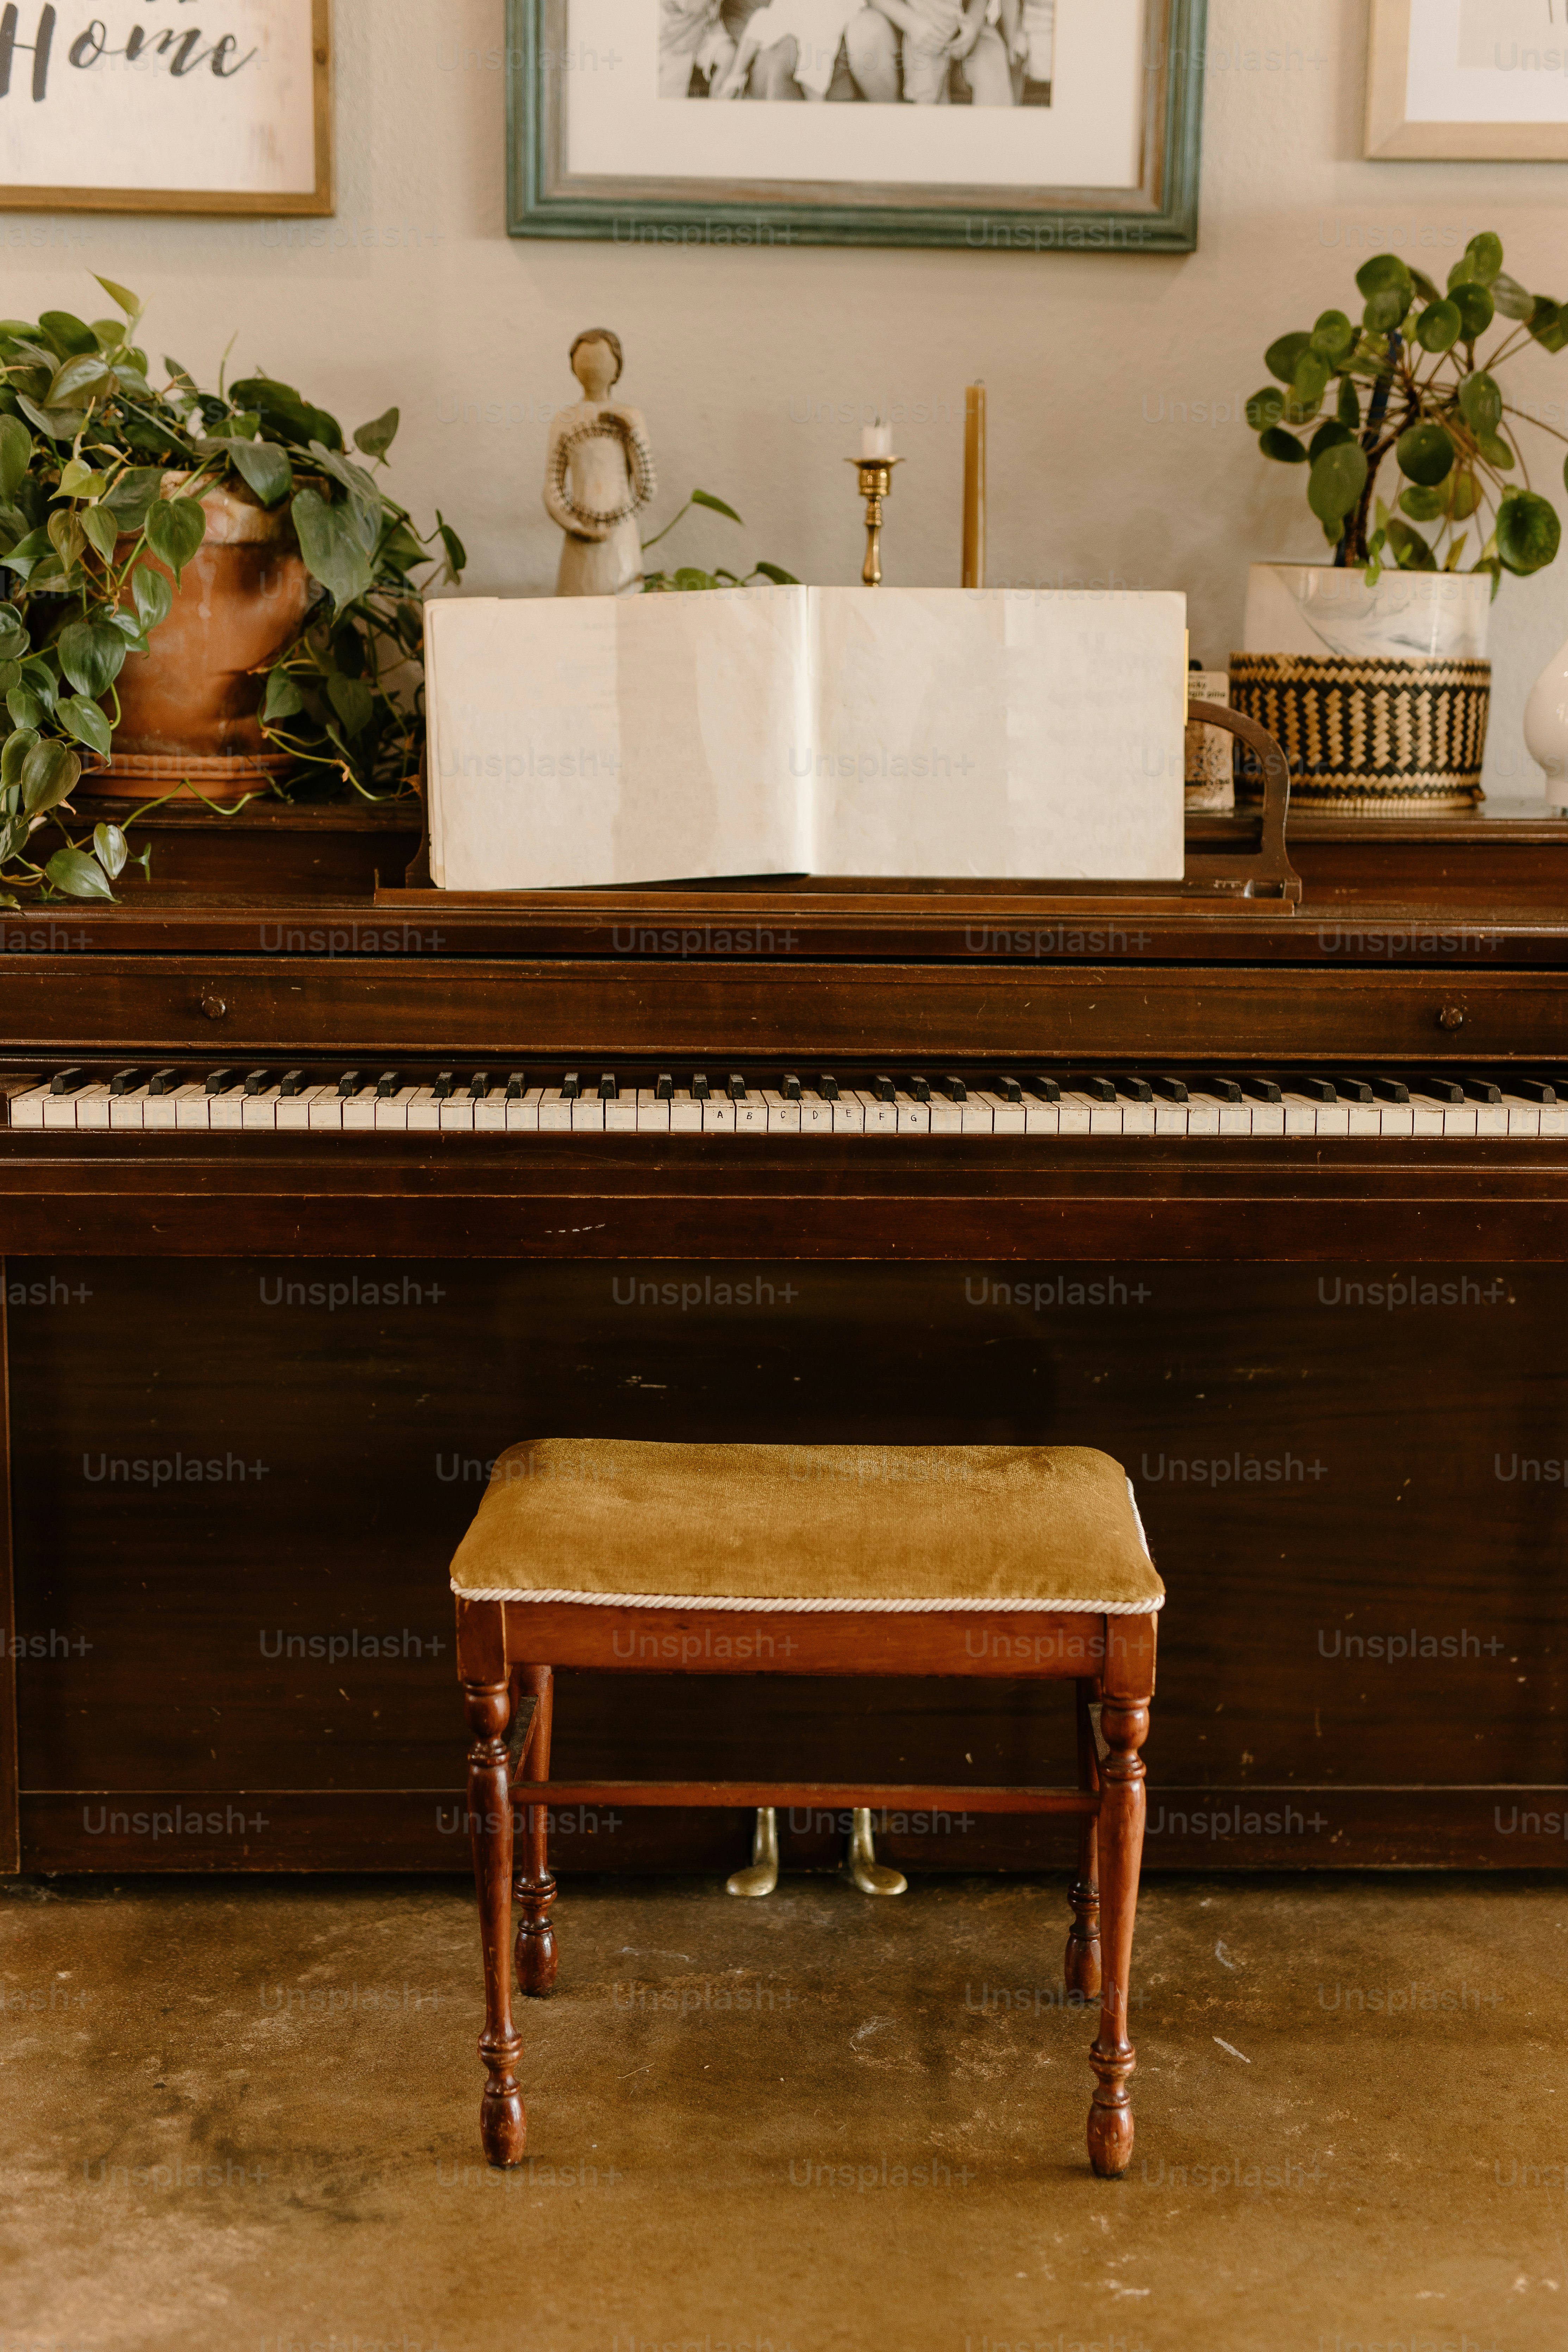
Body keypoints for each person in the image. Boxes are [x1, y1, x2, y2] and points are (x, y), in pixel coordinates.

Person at [542, 330, 656, 598]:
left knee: (623, 608)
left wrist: (631, 434)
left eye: (601, 360)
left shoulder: (630, 416)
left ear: (617, 369)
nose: (593, 367)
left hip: (620, 538)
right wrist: (573, 524)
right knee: (576, 604)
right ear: (573, 367)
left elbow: (648, 485)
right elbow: (552, 485)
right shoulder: (564, 420)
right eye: (586, 360)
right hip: (580, 534)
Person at [714, 0, 874, 99]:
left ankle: (817, 115)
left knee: (815, 60)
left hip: (829, 12)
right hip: (798, 7)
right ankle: (736, 75)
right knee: (762, 20)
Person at [869, 0, 1014, 102]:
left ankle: (993, 140)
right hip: (903, 20)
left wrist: (974, 22)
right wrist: (913, 23)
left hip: (963, 20)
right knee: (928, 84)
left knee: (992, 61)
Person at [659, 0, 736, 98]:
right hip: (676, 38)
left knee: (729, 55)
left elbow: (713, 16)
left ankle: (716, 106)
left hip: (704, 34)